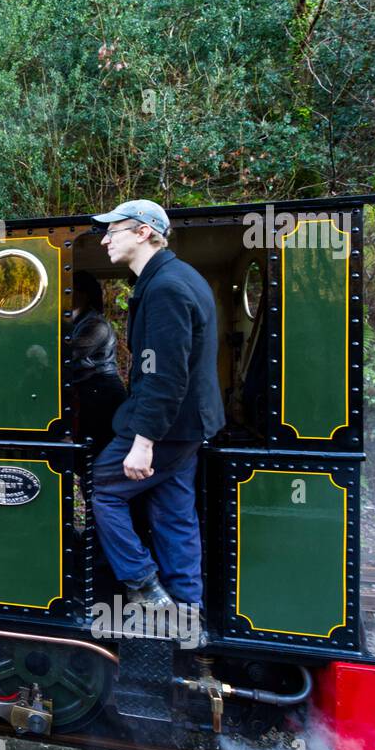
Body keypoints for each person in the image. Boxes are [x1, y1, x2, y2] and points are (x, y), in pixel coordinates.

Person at [90, 199, 225, 609]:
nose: (105, 240)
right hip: (187, 426)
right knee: (174, 510)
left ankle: (143, 583)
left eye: (113, 231)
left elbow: (167, 374)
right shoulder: (176, 277)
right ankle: (187, 606)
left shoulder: (166, 287)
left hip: (168, 426)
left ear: (143, 231)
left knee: (104, 489)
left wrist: (143, 441)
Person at [71, 271, 126, 456]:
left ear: (84, 294)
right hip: (89, 389)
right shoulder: (75, 321)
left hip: (101, 390)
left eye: (72, 289)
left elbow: (72, 353)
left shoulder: (96, 324)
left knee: (98, 444)